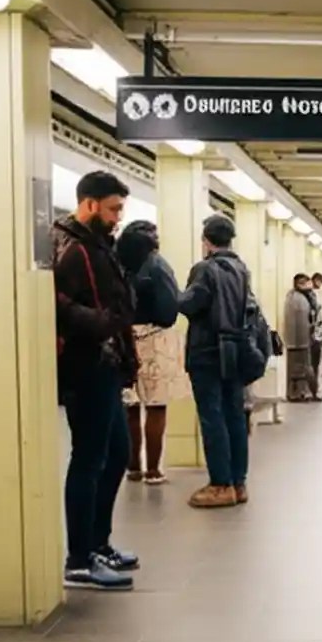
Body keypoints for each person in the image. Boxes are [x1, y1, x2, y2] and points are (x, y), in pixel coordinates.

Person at [52, 171, 139, 591]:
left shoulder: (98, 245)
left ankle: (98, 541)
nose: (118, 217)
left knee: (118, 453)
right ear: (89, 204)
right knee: (88, 460)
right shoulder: (70, 248)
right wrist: (102, 324)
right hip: (85, 366)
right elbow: (58, 304)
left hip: (107, 364)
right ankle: (79, 560)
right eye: (113, 209)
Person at [179, 215, 262, 509]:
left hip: (207, 352)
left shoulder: (205, 269)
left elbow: (191, 304)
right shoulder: (241, 269)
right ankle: (238, 482)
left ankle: (219, 484)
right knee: (234, 416)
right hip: (235, 351)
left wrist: (173, 296)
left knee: (212, 417)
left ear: (206, 240)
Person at [115, 220, 186, 487]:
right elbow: (169, 310)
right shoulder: (158, 265)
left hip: (124, 338)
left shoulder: (117, 263)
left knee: (131, 406)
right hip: (155, 341)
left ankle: (133, 467)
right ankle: (153, 471)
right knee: (156, 406)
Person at [284, 273, 322, 402]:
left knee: (298, 368)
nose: (309, 285)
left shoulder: (301, 297)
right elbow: (305, 319)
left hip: (299, 339)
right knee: (306, 368)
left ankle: (297, 393)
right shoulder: (299, 298)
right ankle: (311, 392)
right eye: (306, 282)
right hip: (302, 339)